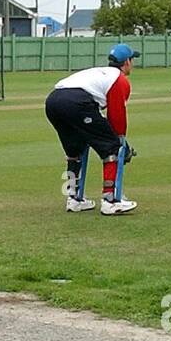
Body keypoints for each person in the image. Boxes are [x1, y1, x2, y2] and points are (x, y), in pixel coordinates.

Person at [45, 44, 138, 214]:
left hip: (53, 101)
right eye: (132, 60)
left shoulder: (100, 72)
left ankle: (73, 199)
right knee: (111, 147)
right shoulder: (119, 79)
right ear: (126, 62)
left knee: (75, 151)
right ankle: (110, 201)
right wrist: (120, 142)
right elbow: (116, 116)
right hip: (77, 102)